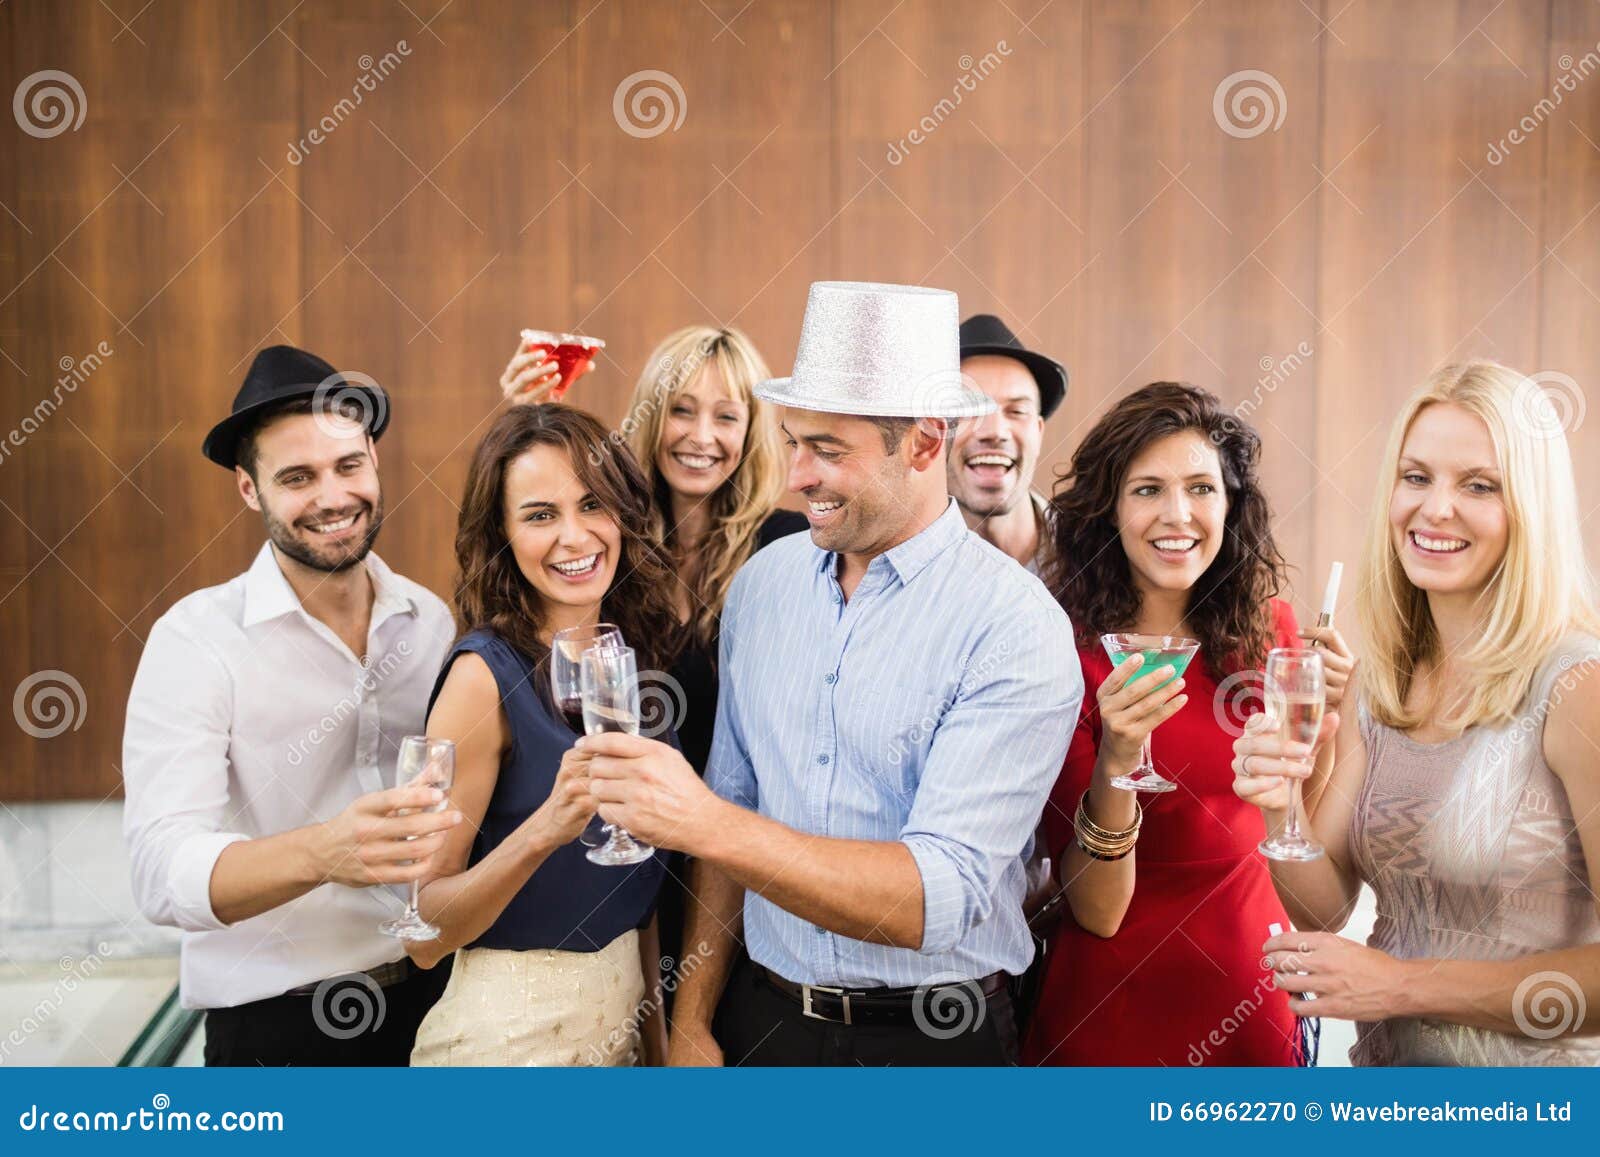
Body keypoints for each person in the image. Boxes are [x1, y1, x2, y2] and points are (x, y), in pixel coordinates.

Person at [578, 281, 1084, 1066]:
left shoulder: (1015, 629)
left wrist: (698, 818)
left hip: (932, 1045)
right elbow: (738, 800)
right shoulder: (764, 586)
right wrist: (693, 1018)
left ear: (923, 443)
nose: (796, 476)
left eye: (829, 450)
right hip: (761, 1020)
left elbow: (936, 897)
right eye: (793, 441)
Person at [1233, 360, 1600, 1065]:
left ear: (1533, 505)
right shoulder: (1385, 681)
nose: (1435, 508)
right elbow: (1323, 906)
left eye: (1479, 485)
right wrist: (1280, 805)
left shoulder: (1577, 686)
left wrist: (1401, 985)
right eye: (1416, 476)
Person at [122, 346, 462, 1066]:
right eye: (297, 477)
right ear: (250, 490)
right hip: (275, 1030)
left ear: (374, 459)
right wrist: (323, 852)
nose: (333, 497)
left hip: (436, 1002)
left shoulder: (430, 622)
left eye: (348, 466)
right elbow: (159, 870)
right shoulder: (196, 640)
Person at [1022, 382, 1356, 1066]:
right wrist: (1119, 756)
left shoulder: (1276, 636)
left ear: (1231, 505)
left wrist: (1324, 733)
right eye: (1147, 489)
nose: (1178, 514)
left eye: (1202, 487)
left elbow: (1299, 838)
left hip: (1250, 999)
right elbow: (1098, 909)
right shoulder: (1061, 652)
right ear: (1109, 509)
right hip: (1107, 1017)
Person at [501, 325, 804, 993]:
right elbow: (519, 603)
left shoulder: (791, 547)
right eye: (681, 408)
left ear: (752, 431)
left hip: (737, 860)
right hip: (618, 857)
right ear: (650, 414)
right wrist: (524, 421)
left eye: (727, 416)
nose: (701, 435)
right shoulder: (608, 541)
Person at [405, 404, 680, 1066]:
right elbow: (422, 931)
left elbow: (636, 901)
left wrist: (664, 1048)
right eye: (538, 514)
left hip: (623, 1035)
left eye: (592, 504)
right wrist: (544, 829)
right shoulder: (480, 678)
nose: (575, 535)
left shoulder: (631, 662)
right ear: (500, 533)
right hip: (507, 1046)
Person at [947, 314, 1068, 575]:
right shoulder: (896, 566)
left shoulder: (1093, 553)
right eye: (970, 410)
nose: (995, 432)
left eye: (1016, 411)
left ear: (1038, 432)